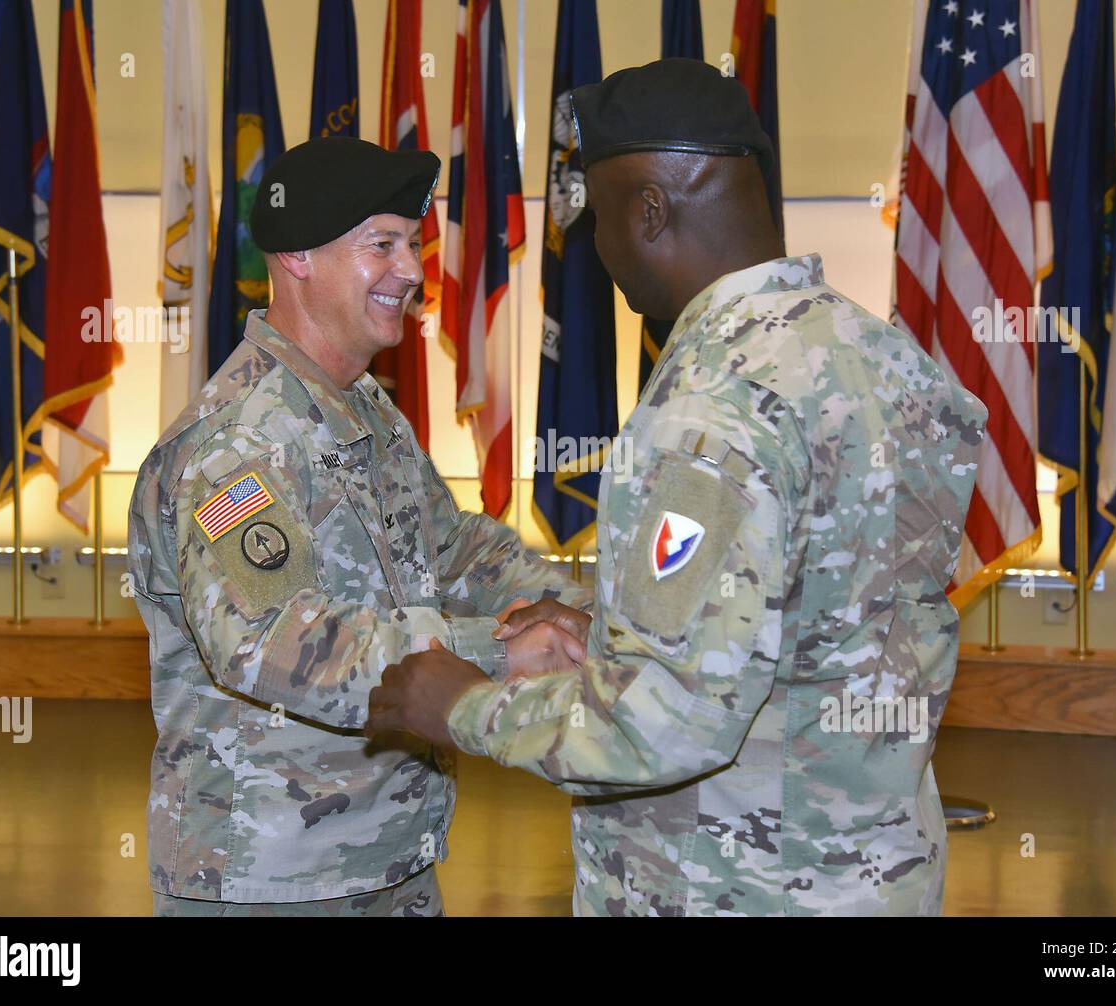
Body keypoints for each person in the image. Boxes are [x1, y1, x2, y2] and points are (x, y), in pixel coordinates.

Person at [366, 59, 990, 917]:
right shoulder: (880, 359)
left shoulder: (710, 410)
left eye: (596, 215)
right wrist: (621, 633)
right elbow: (823, 619)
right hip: (874, 877)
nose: (594, 245)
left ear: (650, 209)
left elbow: (661, 725)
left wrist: (463, 706)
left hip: (735, 886)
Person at [127, 137, 585, 917]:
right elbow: (272, 641)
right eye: (382, 245)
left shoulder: (366, 408)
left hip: (389, 861)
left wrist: (581, 607)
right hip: (269, 880)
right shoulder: (236, 440)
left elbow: (459, 552)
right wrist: (500, 650)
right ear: (298, 256)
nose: (410, 270)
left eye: (412, 243)